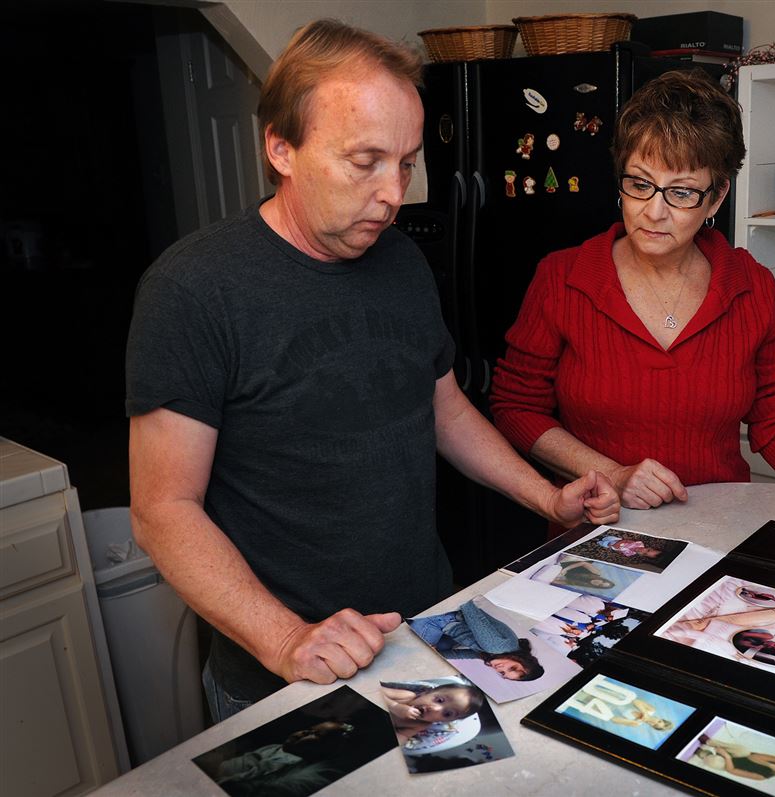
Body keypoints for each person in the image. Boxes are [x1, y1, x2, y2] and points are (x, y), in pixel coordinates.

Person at [125, 19, 619, 721]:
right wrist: (288, 640)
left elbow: (444, 409)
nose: (393, 194)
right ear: (281, 148)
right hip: (289, 677)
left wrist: (546, 499)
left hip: (429, 636)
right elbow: (162, 509)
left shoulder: (401, 262)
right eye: (365, 162)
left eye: (407, 162)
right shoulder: (193, 290)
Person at [490, 69, 775, 551]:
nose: (653, 211)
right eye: (640, 184)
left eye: (681, 193)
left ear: (717, 196)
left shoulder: (750, 287)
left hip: (720, 542)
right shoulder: (563, 279)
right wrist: (610, 473)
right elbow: (515, 408)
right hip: (594, 543)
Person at [406, 600, 546, 681]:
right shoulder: (496, 648)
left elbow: (457, 655)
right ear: (522, 659)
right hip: (442, 620)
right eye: (512, 668)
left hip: (451, 630)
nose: (500, 669)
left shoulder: (499, 654)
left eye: (503, 673)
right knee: (416, 656)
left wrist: (436, 652)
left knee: (436, 653)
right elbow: (470, 610)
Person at [211, 720, 353, 796]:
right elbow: (231, 766)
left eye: (316, 734)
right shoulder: (274, 748)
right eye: (309, 729)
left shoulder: (304, 768)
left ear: (324, 749)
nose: (304, 733)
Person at [379, 683, 483, 745]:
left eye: (447, 714)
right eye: (439, 700)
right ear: (425, 692)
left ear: (443, 721)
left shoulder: (421, 725)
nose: (436, 709)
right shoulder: (406, 696)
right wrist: (394, 706)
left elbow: (402, 735)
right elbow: (375, 692)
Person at [694, 735, 775, 786]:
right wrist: (769, 764)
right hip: (738, 755)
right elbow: (751, 757)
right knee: (744, 750)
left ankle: (705, 753)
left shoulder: (762, 777)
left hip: (728, 763)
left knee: (714, 762)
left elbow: (732, 771)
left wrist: (726, 756)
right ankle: (709, 742)